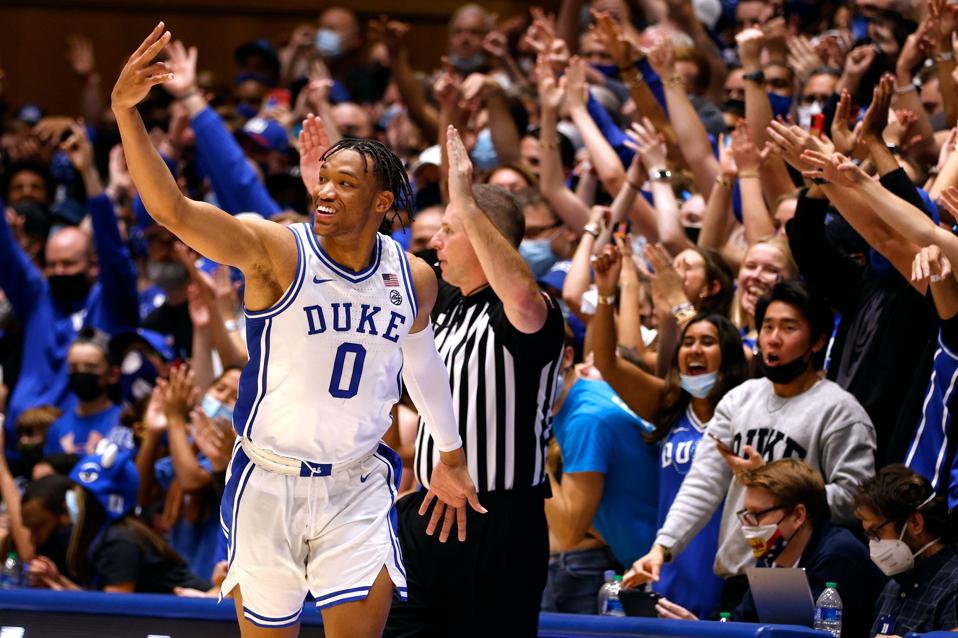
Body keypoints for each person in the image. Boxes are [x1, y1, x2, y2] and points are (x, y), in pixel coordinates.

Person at [111, 24, 479, 637]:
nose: (326, 191)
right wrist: (127, 113)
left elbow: (420, 365)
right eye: (323, 179)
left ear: (385, 203)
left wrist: (451, 454)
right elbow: (171, 210)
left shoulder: (412, 277)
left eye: (346, 183)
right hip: (270, 479)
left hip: (358, 482)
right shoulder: (276, 251)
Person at [385, 129, 565, 636]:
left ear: (486, 236)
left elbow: (524, 300)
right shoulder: (442, 301)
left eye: (450, 229)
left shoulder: (530, 313)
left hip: (498, 524)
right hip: (424, 514)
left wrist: (466, 197)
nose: (434, 241)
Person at [625, 281, 877, 611]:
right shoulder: (739, 400)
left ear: (817, 341)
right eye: (767, 326)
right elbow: (702, 483)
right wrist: (662, 548)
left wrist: (778, 488)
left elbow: (855, 500)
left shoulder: (841, 412)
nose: (773, 338)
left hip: (796, 574)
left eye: (788, 328)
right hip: (736, 576)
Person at [591, 236, 750, 619]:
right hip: (669, 561)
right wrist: (607, 293)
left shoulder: (749, 410)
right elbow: (606, 363)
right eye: (687, 342)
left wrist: (679, 303)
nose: (693, 349)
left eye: (707, 342)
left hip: (726, 569)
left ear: (727, 356)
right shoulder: (669, 405)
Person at [655, 460, 885, 638]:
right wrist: (701, 630)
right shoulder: (770, 557)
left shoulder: (838, 555)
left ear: (798, 515)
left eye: (757, 514)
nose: (748, 525)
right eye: (745, 514)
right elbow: (744, 626)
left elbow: (813, 635)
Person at [542, 329, 660, 615]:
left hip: (657, 569)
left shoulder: (585, 419)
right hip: (647, 559)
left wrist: (529, 451)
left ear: (568, 357)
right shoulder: (593, 393)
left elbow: (569, 532)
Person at [26, 442, 211, 593]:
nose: (69, 501)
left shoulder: (120, 542)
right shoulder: (112, 536)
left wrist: (58, 587)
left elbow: (111, 616)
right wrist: (57, 580)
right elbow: (99, 604)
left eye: (78, 493)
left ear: (97, 501)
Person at [855, 465, 958, 637]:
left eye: (877, 532)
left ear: (915, 524)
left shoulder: (953, 589)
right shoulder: (893, 586)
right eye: (869, 535)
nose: (873, 543)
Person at [43, 328, 122, 456]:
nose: (81, 373)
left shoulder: (123, 422)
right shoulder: (57, 428)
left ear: (113, 374)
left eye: (90, 367)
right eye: (73, 367)